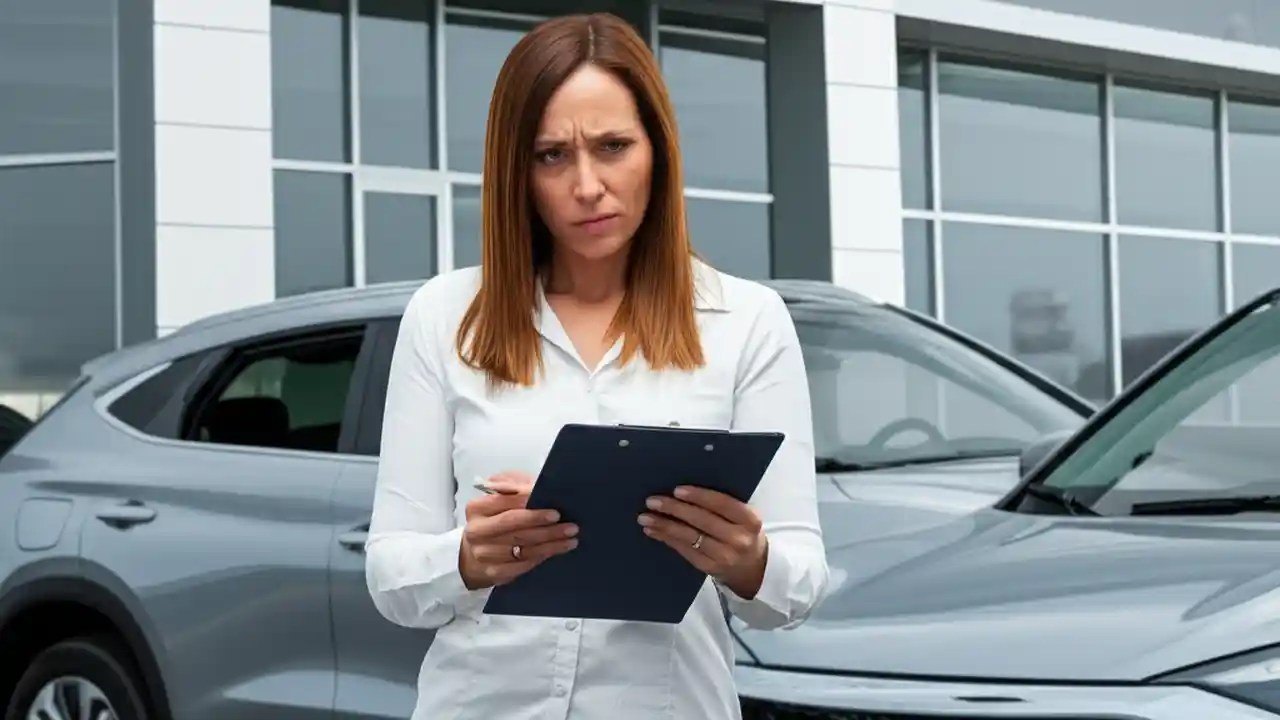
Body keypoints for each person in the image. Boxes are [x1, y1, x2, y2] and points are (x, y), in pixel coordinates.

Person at [365, 12, 829, 720]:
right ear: (516, 173)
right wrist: (467, 559)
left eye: (613, 146)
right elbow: (391, 577)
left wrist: (746, 559)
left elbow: (796, 587)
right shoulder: (443, 317)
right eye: (552, 155)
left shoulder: (748, 323)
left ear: (658, 153)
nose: (587, 185)